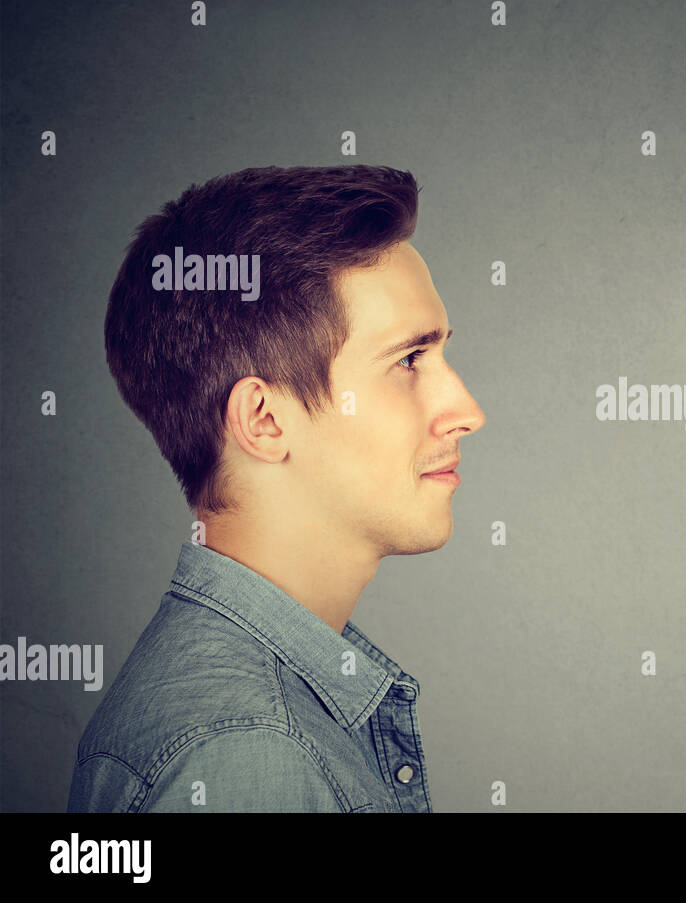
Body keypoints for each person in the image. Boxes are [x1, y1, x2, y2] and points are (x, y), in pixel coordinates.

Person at [68, 165, 483, 811]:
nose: (465, 409)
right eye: (408, 360)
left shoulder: (248, 721)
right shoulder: (245, 751)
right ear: (264, 420)